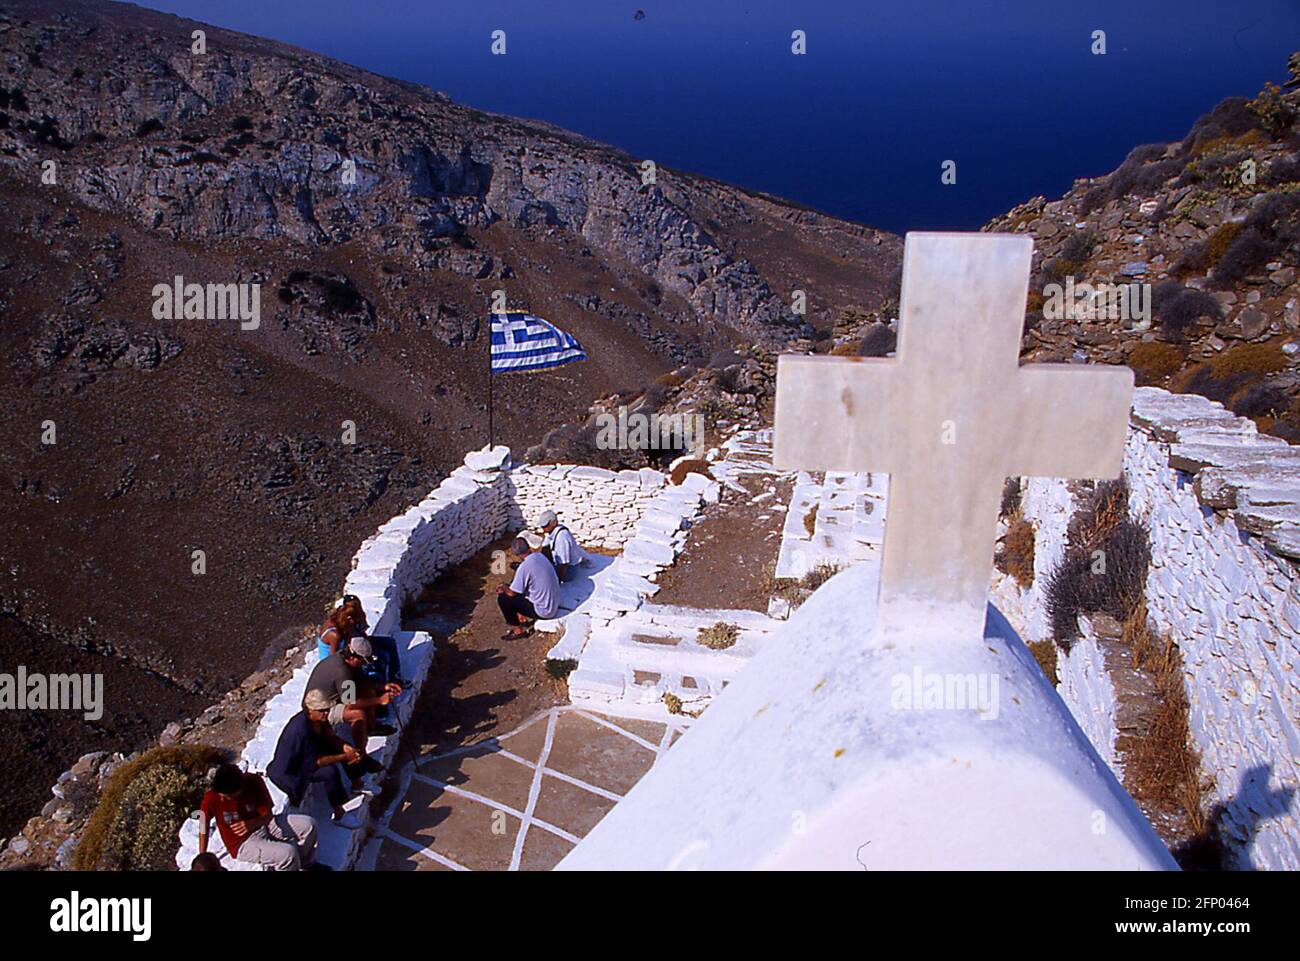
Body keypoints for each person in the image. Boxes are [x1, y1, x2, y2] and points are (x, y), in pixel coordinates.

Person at [198, 763, 318, 871]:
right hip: (242, 842)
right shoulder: (212, 797)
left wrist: (252, 823)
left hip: (263, 823)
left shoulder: (253, 781)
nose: (222, 799)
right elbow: (203, 824)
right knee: (288, 854)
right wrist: (202, 856)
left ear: (239, 790)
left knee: (309, 825)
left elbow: (268, 814)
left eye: (228, 796)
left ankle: (305, 863)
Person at [268, 689, 364, 821]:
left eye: (326, 709)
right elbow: (316, 762)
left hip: (309, 756)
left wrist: (347, 749)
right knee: (329, 772)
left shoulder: (320, 720)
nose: (326, 713)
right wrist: (344, 757)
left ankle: (358, 783)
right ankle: (339, 813)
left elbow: (329, 737)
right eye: (321, 710)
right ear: (310, 710)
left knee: (345, 749)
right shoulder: (300, 731)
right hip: (294, 769)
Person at [304, 637, 402, 761]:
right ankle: (361, 755)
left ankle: (371, 727)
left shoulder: (348, 661)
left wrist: (383, 686)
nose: (364, 664)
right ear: (353, 657)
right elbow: (351, 704)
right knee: (357, 714)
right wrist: (380, 700)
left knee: (370, 691)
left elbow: (362, 682)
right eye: (363, 661)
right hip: (319, 708)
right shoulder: (342, 672)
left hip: (335, 696)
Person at [317, 595, 406, 691]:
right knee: (378, 661)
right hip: (339, 658)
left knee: (388, 644)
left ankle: (394, 678)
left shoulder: (345, 620)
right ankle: (380, 689)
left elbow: (362, 635)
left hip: (348, 650)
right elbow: (334, 660)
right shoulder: (334, 634)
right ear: (350, 619)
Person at [496, 535, 559, 639]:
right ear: (529, 546)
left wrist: (503, 586)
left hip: (544, 611)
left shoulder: (525, 567)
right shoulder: (540, 556)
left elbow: (512, 593)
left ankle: (518, 631)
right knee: (516, 589)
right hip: (553, 603)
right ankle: (522, 617)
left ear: (516, 554)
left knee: (504, 598)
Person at [535, 510, 587, 582]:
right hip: (560, 564)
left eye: (545, 526)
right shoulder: (551, 531)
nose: (543, 528)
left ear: (554, 523)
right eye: (542, 526)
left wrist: (557, 580)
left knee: (541, 574)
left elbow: (563, 564)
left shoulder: (561, 537)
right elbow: (544, 546)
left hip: (569, 570)